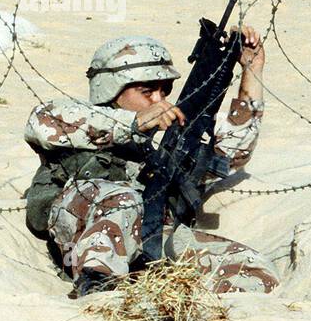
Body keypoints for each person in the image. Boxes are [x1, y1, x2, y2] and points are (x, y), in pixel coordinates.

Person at [23, 29, 280, 297]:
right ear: (111, 89)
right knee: (122, 199)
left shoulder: (162, 143)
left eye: (164, 91)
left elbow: (234, 152)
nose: (159, 100)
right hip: (94, 234)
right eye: (147, 91)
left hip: (153, 237)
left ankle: (169, 303)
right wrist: (134, 123)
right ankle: (98, 286)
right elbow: (41, 121)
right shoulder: (83, 123)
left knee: (255, 271)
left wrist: (252, 70)